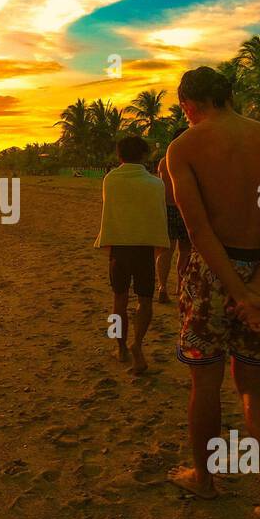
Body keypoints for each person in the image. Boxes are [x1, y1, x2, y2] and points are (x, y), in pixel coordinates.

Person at [165, 66, 260, 519]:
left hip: (211, 275)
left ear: (189, 104)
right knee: (253, 383)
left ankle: (204, 479)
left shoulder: (184, 147)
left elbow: (200, 231)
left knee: (205, 382)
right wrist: (257, 288)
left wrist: (236, 290)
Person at [94, 135, 169, 376]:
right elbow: (158, 214)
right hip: (145, 246)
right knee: (145, 300)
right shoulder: (156, 184)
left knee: (119, 300)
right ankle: (137, 344)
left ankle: (120, 348)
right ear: (144, 156)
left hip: (120, 247)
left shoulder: (110, 180)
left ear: (119, 156)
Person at [155, 127, 191, 303]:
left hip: (166, 208)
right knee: (185, 250)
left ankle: (162, 286)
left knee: (166, 251)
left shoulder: (163, 161)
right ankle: (180, 285)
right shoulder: (188, 161)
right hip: (184, 208)